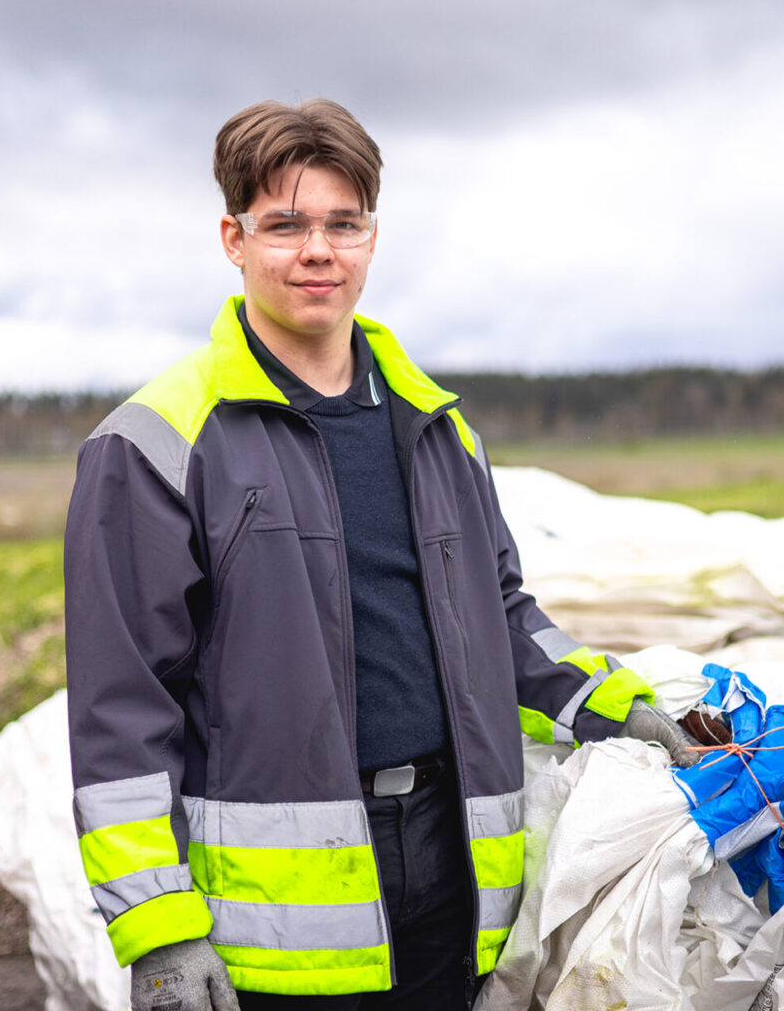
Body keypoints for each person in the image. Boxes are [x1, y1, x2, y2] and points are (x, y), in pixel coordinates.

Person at [63, 98, 697, 1010]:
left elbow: (500, 615)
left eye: (343, 223)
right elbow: (122, 705)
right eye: (286, 225)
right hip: (271, 923)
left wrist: (611, 703)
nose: (317, 250)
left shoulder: (438, 428)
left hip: (453, 878)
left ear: (372, 237)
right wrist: (159, 927)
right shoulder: (158, 442)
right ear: (234, 239)